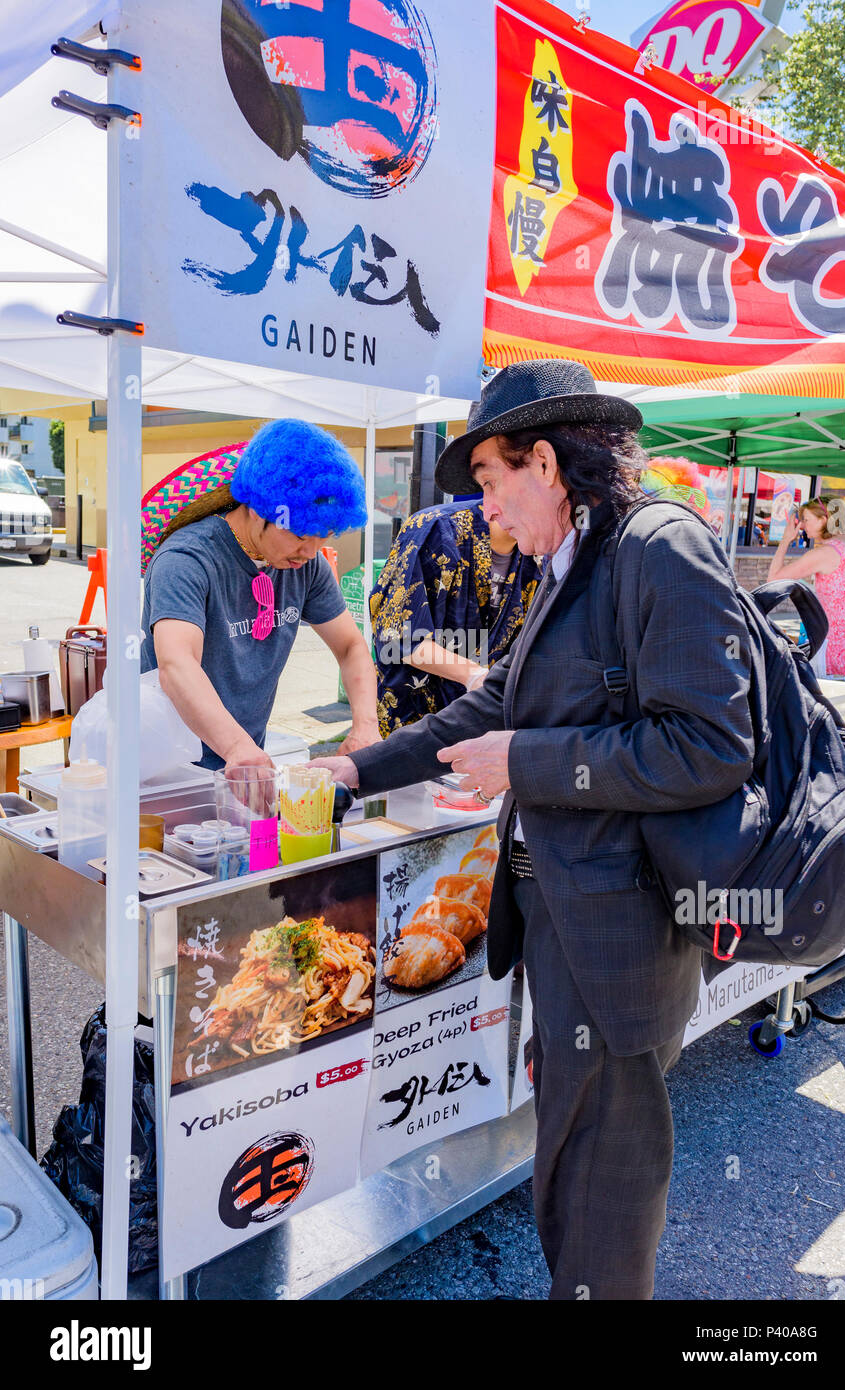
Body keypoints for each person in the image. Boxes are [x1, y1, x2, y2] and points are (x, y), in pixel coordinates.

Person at [310, 359, 755, 1300]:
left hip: (618, 937)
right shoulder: (575, 560)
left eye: (487, 479)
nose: (483, 510)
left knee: (601, 1188)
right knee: (568, 1162)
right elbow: (493, 705)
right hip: (563, 921)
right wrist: (354, 770)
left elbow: (711, 747)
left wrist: (529, 763)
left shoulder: (657, 548)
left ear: (544, 465)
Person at [140, 418, 382, 774]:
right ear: (257, 508)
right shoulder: (186, 560)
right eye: (300, 533)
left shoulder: (307, 563)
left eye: (325, 535)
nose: (310, 550)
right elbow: (177, 666)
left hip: (244, 762)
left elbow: (350, 646)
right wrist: (238, 748)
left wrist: (365, 726)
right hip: (168, 764)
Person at [369, 498, 542, 736]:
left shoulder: (538, 557)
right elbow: (398, 637)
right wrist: (474, 675)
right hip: (414, 719)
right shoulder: (436, 528)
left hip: (483, 722)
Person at [768, 497, 845, 678]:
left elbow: (773, 580)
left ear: (823, 520)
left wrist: (785, 540)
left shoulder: (824, 553)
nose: (803, 525)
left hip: (836, 644)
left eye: (806, 519)